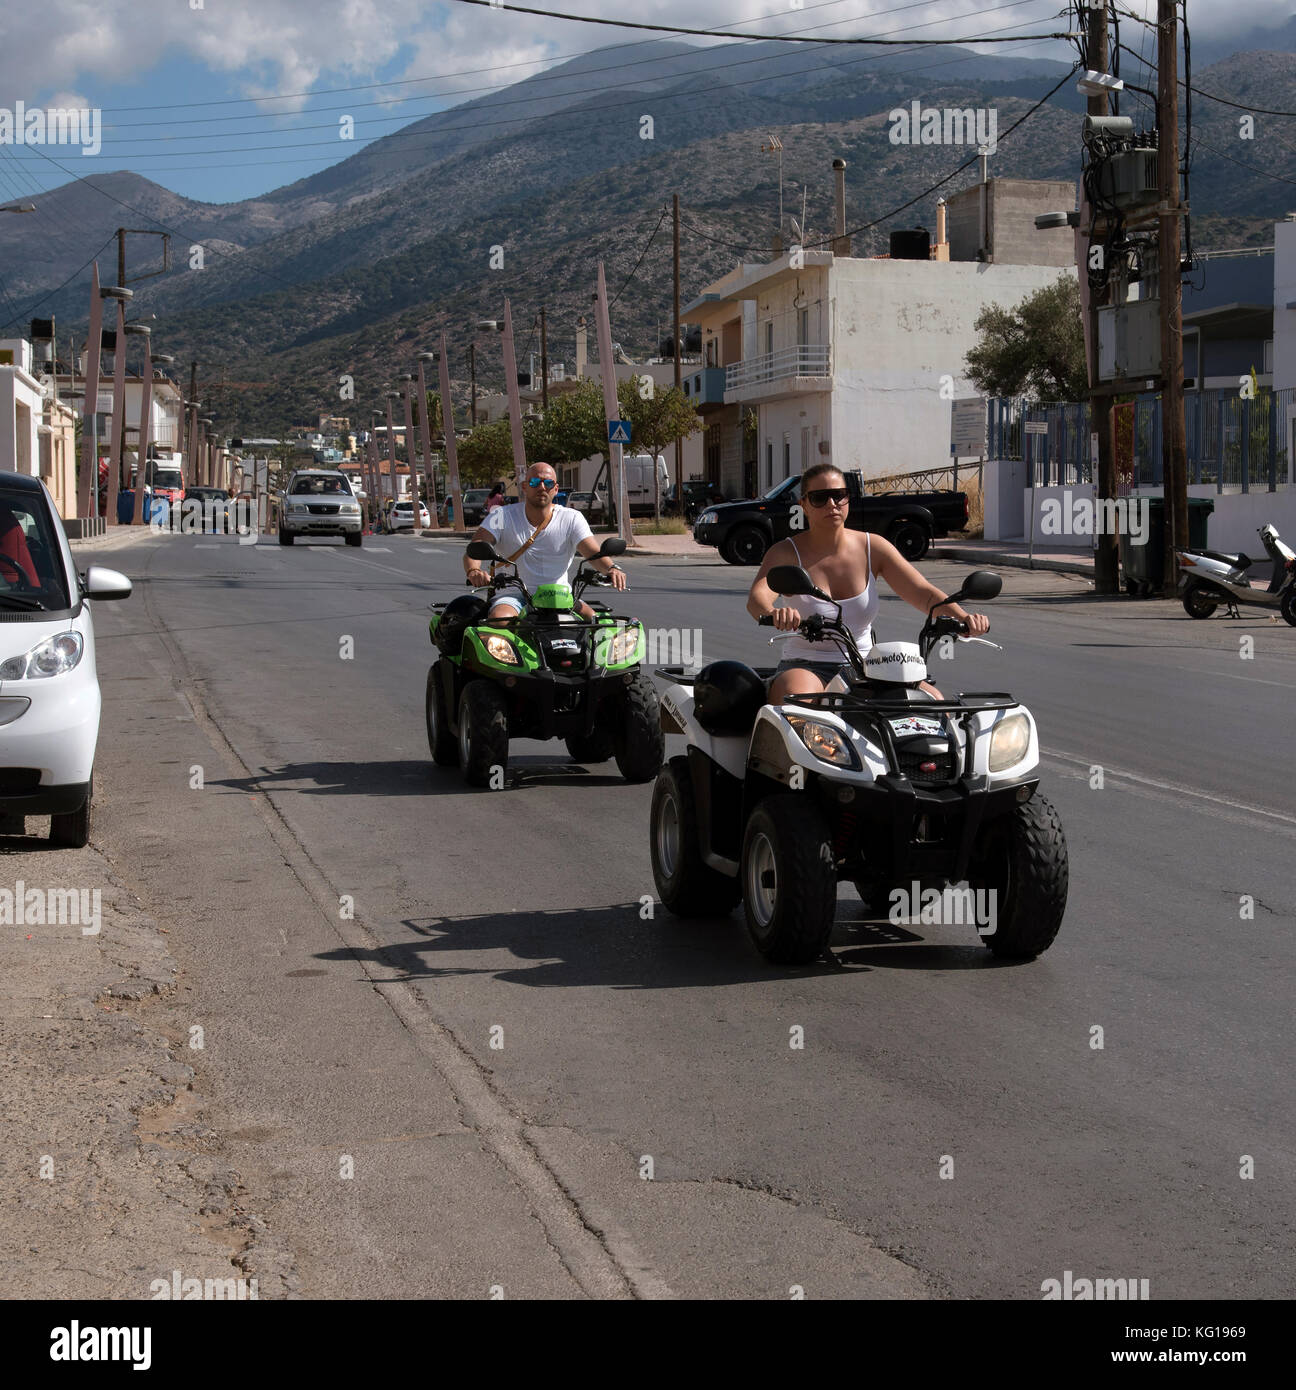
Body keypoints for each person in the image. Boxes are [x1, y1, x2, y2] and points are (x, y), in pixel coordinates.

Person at [746, 463, 989, 703]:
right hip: (806, 665)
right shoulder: (786, 552)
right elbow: (758, 598)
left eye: (839, 496)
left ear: (848, 499)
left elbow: (922, 592)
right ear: (804, 505)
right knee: (797, 701)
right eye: (820, 498)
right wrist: (774, 613)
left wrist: (963, 617)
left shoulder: (874, 547)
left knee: (932, 702)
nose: (832, 504)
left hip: (869, 666)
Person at [466, 462, 626, 621]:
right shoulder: (501, 516)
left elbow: (593, 553)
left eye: (548, 483)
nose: (542, 487)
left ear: (555, 489)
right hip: (514, 595)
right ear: (524, 487)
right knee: (500, 620)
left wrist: (612, 568)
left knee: (595, 623)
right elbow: (474, 550)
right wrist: (474, 571)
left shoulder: (571, 518)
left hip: (559, 596)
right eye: (535, 482)